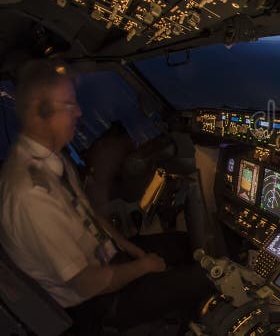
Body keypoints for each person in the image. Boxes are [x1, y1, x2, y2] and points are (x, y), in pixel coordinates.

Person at [0, 60, 212, 333]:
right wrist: (144, 266)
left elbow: (90, 216)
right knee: (205, 278)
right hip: (97, 302)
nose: (78, 112)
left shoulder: (52, 159)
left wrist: (131, 249)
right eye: (68, 105)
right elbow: (86, 283)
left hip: (109, 261)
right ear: (39, 112)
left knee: (186, 244)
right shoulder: (29, 194)